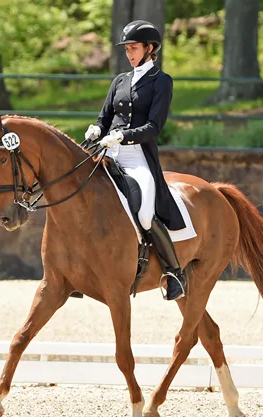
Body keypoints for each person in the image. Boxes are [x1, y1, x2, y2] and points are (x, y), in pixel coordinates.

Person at [84, 19, 187, 301]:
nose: (129, 53)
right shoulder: (120, 80)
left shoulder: (161, 82)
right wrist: (96, 130)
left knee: (143, 214)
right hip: (108, 153)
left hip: (137, 156)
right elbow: (104, 118)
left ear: (149, 48)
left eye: (134, 48)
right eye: (127, 48)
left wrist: (122, 136)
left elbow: (154, 127)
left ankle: (174, 271)